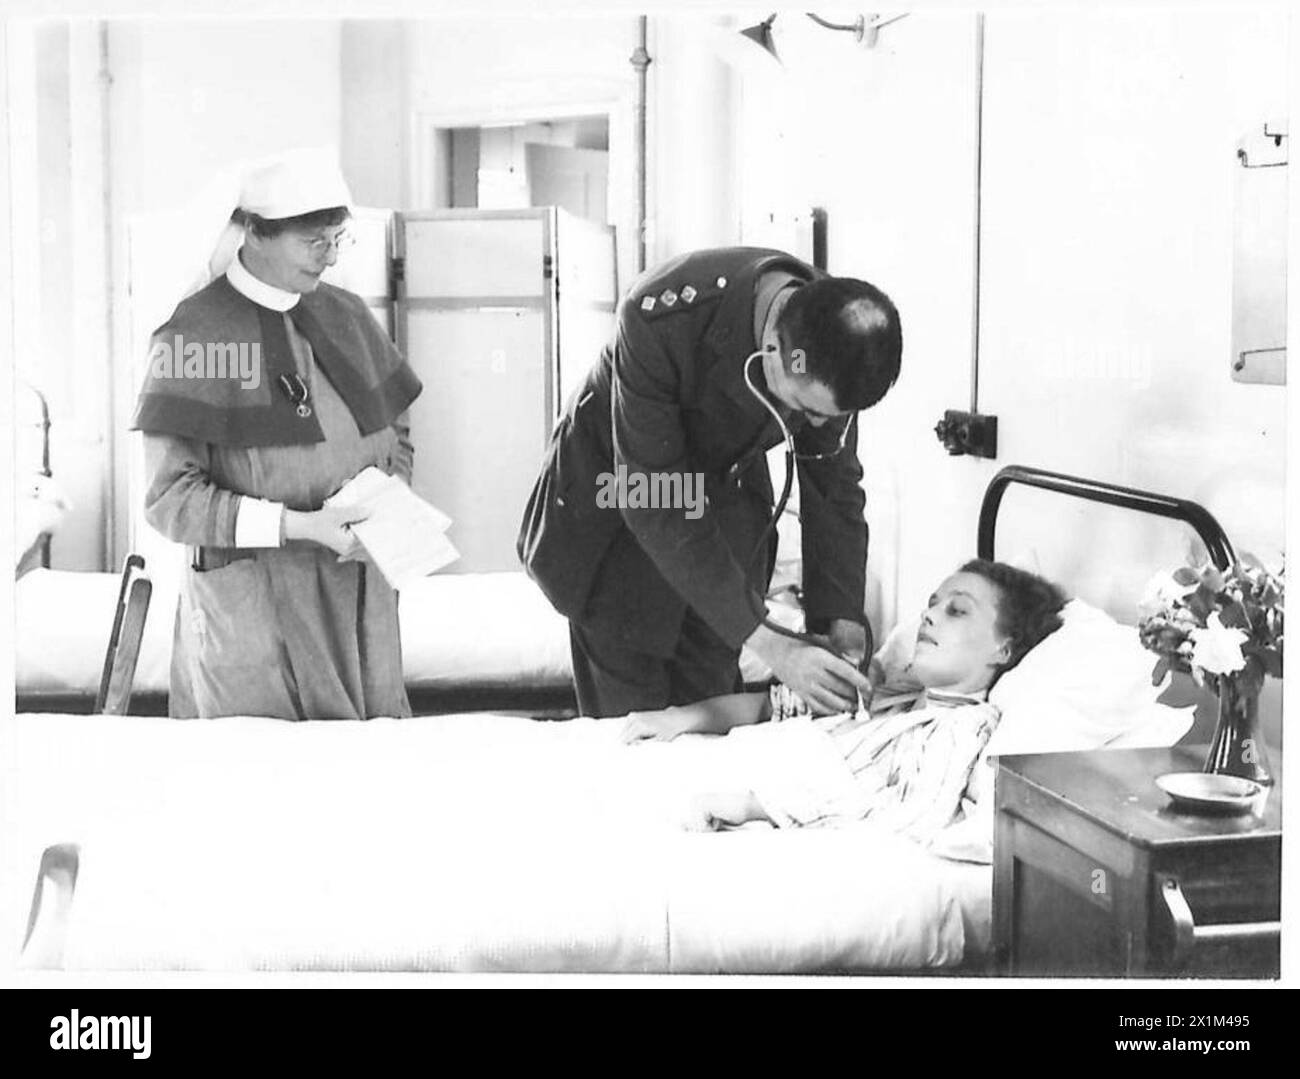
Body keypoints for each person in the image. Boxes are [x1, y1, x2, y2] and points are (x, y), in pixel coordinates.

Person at [518, 248, 903, 718]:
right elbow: (656, 500)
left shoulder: (838, 340)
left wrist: (840, 619)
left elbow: (834, 487)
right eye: (804, 412)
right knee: (631, 718)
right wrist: (772, 646)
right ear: (774, 353)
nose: (812, 425)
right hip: (622, 495)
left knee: (710, 702)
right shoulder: (660, 316)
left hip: (725, 499)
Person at [131, 150, 422, 720]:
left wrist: (386, 503)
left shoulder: (347, 315)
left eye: (338, 240)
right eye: (313, 242)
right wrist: (298, 527)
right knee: (266, 778)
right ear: (256, 234)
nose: (330, 256)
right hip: (257, 602)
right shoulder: (200, 335)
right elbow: (170, 500)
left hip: (358, 590)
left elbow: (399, 434)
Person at [621, 560, 1067, 838]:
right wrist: (679, 718)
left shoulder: (962, 731)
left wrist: (753, 806)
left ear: (1003, 649)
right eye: (932, 603)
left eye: (957, 610)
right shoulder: (890, 697)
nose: (929, 614)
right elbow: (768, 708)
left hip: (751, 801)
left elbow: (899, 815)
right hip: (726, 767)